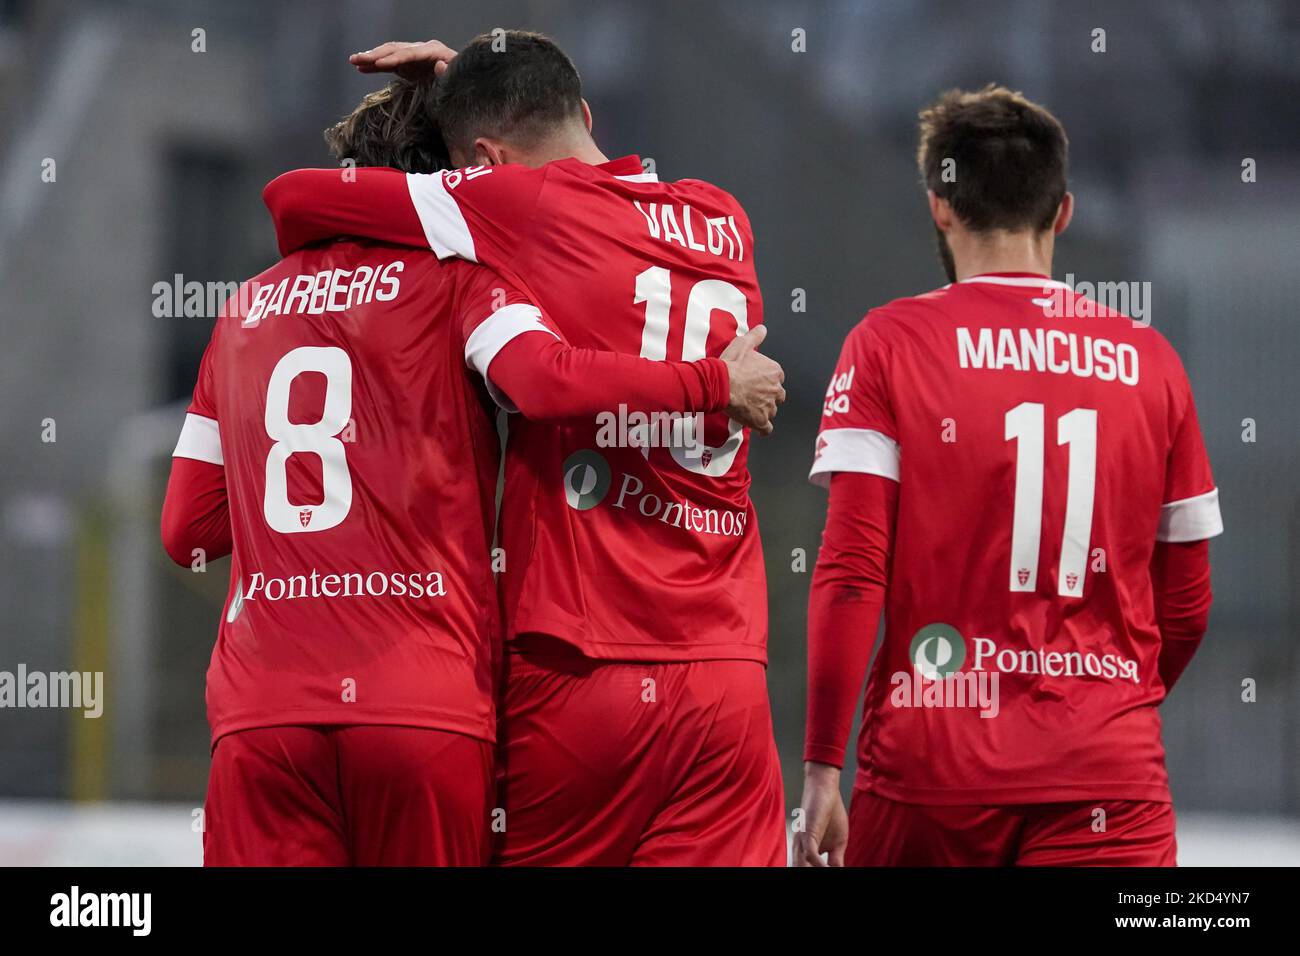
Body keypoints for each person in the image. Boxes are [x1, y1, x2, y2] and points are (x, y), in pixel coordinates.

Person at [161, 75, 784, 866]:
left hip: (262, 708)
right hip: (430, 700)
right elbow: (543, 379)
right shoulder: (470, 284)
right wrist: (713, 385)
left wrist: (300, 535)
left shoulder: (243, 309)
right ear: (448, 184)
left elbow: (187, 529)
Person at [794, 85, 1222, 867]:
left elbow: (853, 573)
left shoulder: (889, 343)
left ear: (940, 207)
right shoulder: (1150, 362)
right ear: (1063, 212)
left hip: (931, 770)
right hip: (1107, 778)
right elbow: (1187, 602)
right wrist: (1103, 709)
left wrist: (824, 763)